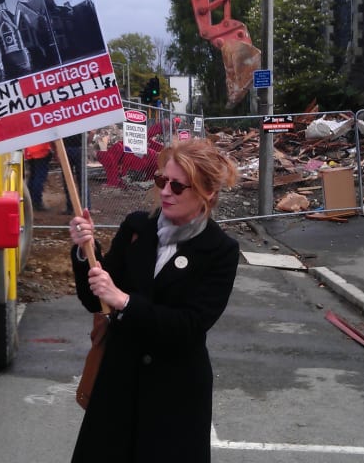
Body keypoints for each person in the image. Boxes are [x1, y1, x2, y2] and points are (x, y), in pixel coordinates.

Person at [67, 138, 239, 463]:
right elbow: (97, 301)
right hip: (119, 381)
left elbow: (191, 325)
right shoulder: (137, 228)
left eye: (178, 186)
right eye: (162, 180)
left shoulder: (220, 251)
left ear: (207, 193)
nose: (165, 192)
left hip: (174, 393)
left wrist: (126, 302)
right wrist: (84, 250)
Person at [60, 132, 86, 214]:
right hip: (78, 149)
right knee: (82, 179)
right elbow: (90, 136)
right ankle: (85, 207)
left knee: (68, 179)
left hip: (65, 149)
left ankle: (70, 207)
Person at [24, 142, 52, 211]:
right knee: (39, 178)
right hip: (41, 151)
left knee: (33, 176)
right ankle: (37, 202)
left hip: (30, 151)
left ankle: (30, 201)